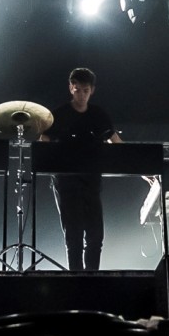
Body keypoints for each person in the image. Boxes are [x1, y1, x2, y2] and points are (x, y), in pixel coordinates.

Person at [38, 68, 123, 271]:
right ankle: (75, 278)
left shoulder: (99, 115)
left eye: (85, 90)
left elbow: (116, 141)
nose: (81, 95)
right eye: (78, 90)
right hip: (66, 180)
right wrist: (43, 141)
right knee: (73, 235)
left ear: (92, 90)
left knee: (95, 235)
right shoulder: (58, 114)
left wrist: (140, 167)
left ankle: (92, 277)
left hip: (91, 179)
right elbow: (44, 141)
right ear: (71, 88)